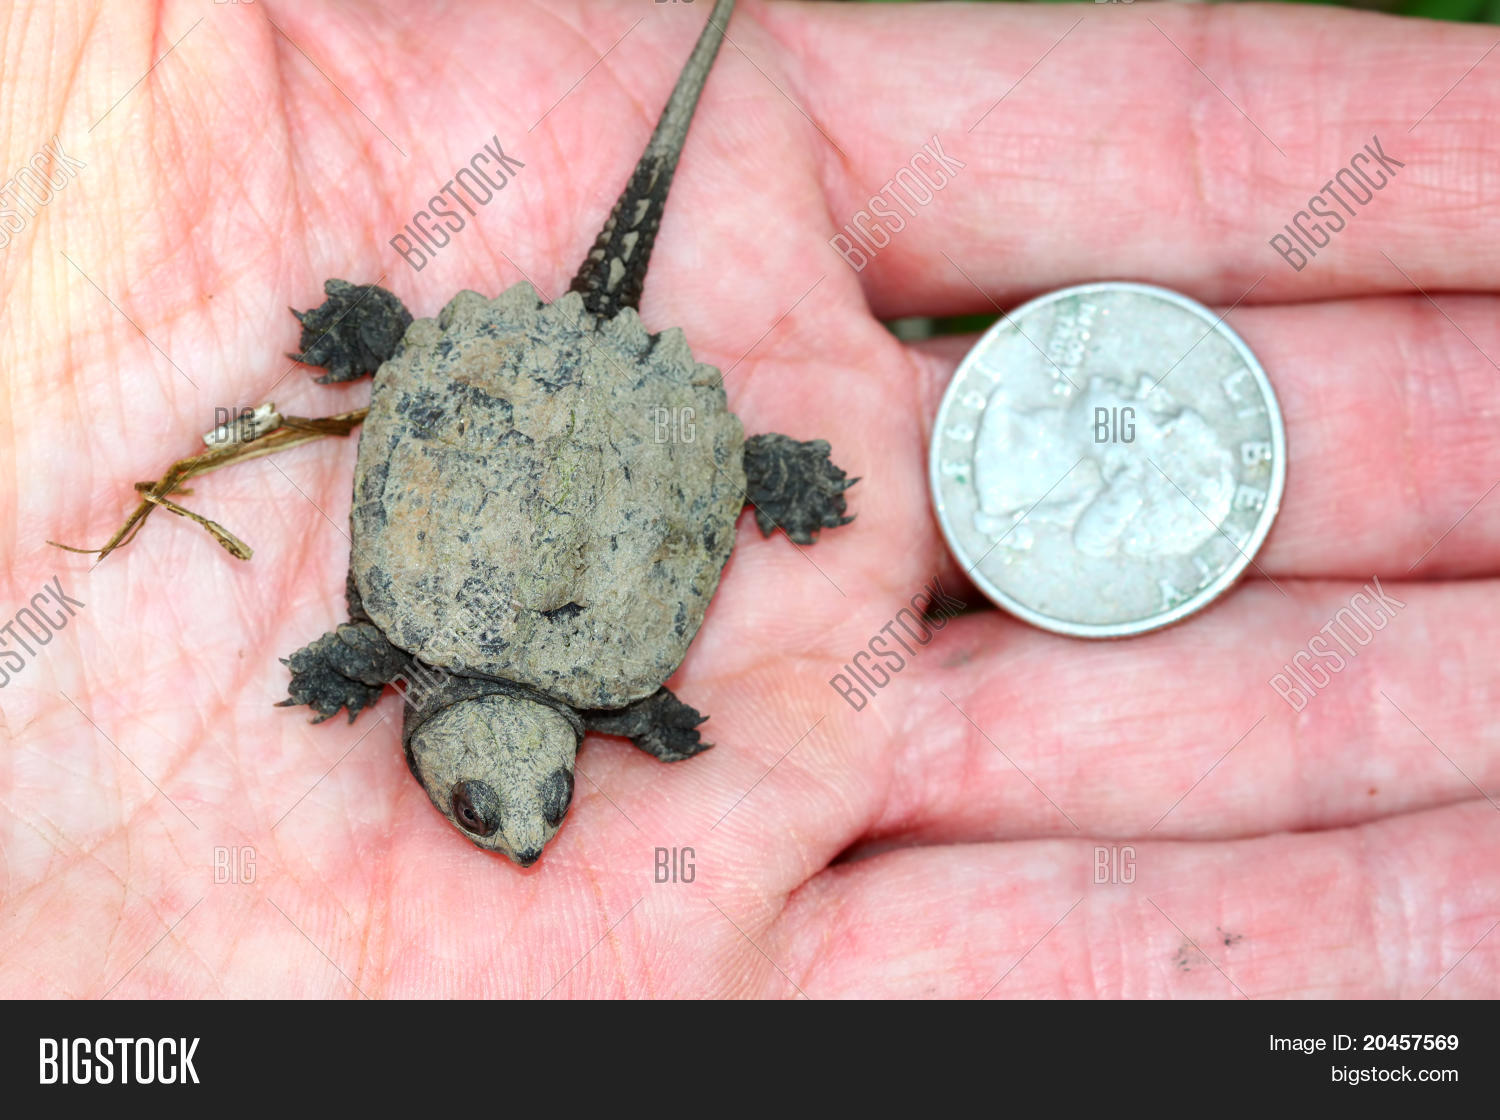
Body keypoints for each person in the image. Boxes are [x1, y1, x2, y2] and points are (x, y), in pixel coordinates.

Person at [2, 0, 1495, 998]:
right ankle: (591, 406)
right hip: (563, 399)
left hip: (553, 399)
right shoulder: (509, 657)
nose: (529, 833)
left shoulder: (454, 645)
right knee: (625, 414)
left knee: (529, 386)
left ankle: (478, 368)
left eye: (508, 801)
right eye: (544, 808)